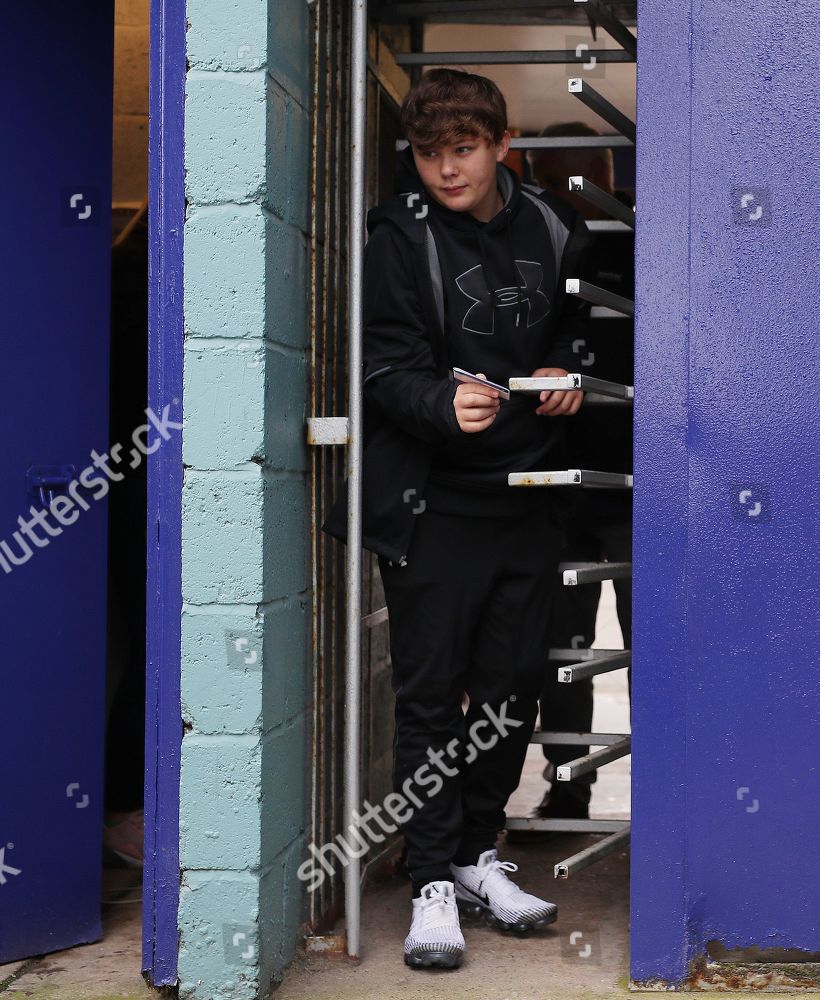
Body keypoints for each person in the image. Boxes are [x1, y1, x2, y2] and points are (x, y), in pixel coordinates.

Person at [326, 68, 589, 971]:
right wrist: (442, 402)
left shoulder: (559, 225)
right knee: (432, 698)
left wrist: (567, 377)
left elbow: (579, 334)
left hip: (532, 499)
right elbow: (379, 369)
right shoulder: (396, 234)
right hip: (433, 504)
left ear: (502, 144)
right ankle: (430, 876)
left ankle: (481, 856)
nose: (447, 170)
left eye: (464, 150)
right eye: (432, 153)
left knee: (514, 689)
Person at [508, 123, 634, 840]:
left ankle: (580, 795)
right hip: (565, 485)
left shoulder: (638, 242)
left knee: (592, 652)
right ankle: (568, 793)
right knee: (566, 656)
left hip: (625, 485)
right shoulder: (539, 257)